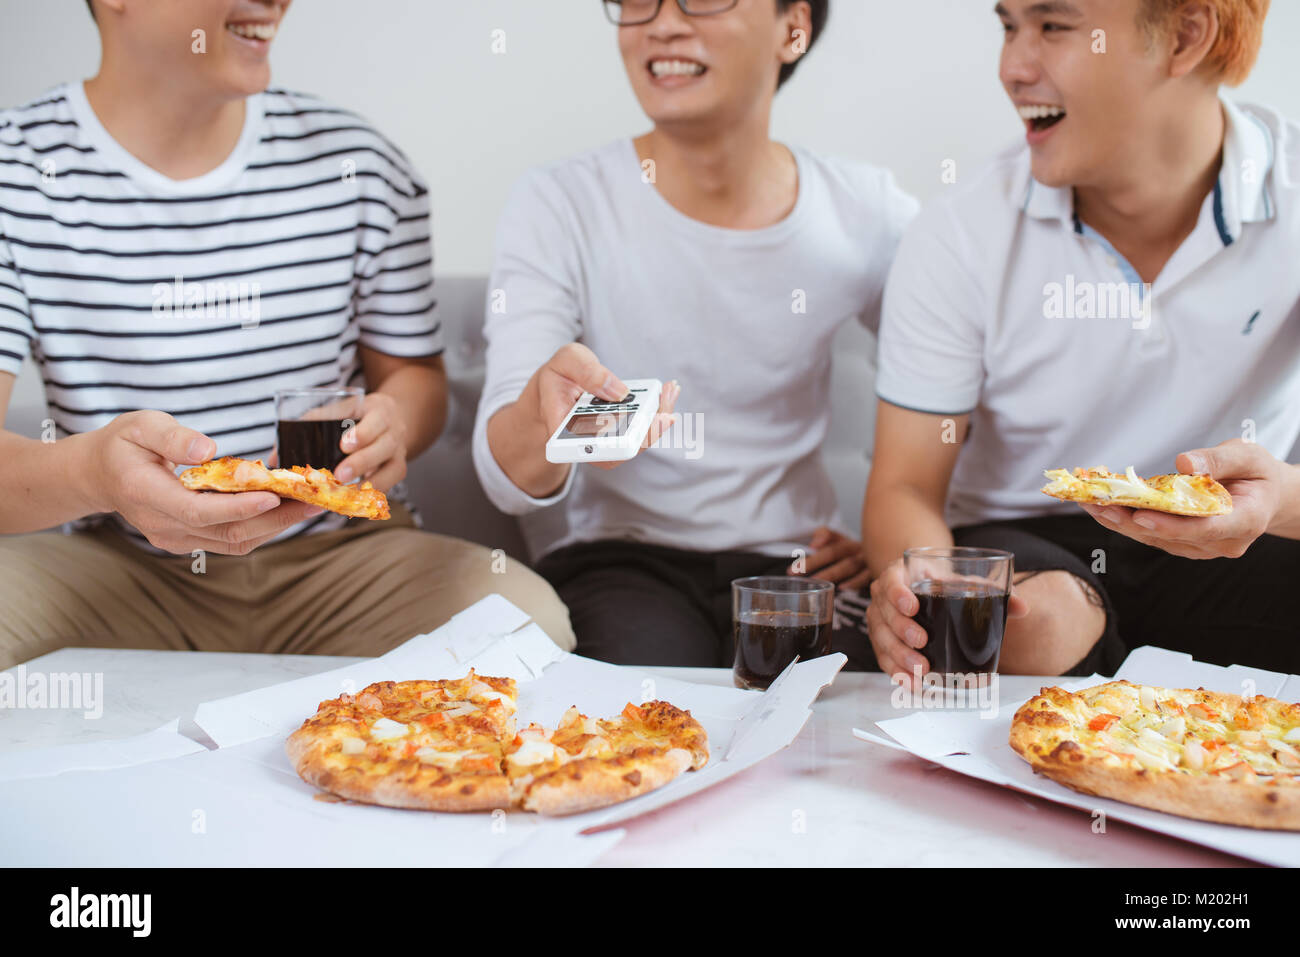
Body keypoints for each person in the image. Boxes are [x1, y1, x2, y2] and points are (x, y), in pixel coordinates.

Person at [0, 0, 573, 669]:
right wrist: (96, 473)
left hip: (338, 563)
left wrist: (391, 423)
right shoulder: (17, 172)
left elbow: (414, 380)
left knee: (525, 625)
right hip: (117, 570)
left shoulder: (360, 164)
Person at [863, 0, 1299, 686]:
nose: (1012, 67)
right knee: (1037, 620)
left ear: (1185, 36)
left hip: (1240, 541)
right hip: (1035, 542)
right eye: (1008, 27)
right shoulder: (960, 232)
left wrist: (1282, 501)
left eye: (1054, 27)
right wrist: (926, 588)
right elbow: (905, 483)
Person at [473, 0, 917, 666]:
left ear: (792, 28)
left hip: (795, 565)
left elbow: (960, 387)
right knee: (641, 730)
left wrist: (889, 549)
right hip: (620, 559)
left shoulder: (866, 211)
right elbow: (505, 475)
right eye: (638, 2)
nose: (663, 23)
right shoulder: (559, 203)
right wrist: (545, 417)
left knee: (848, 710)